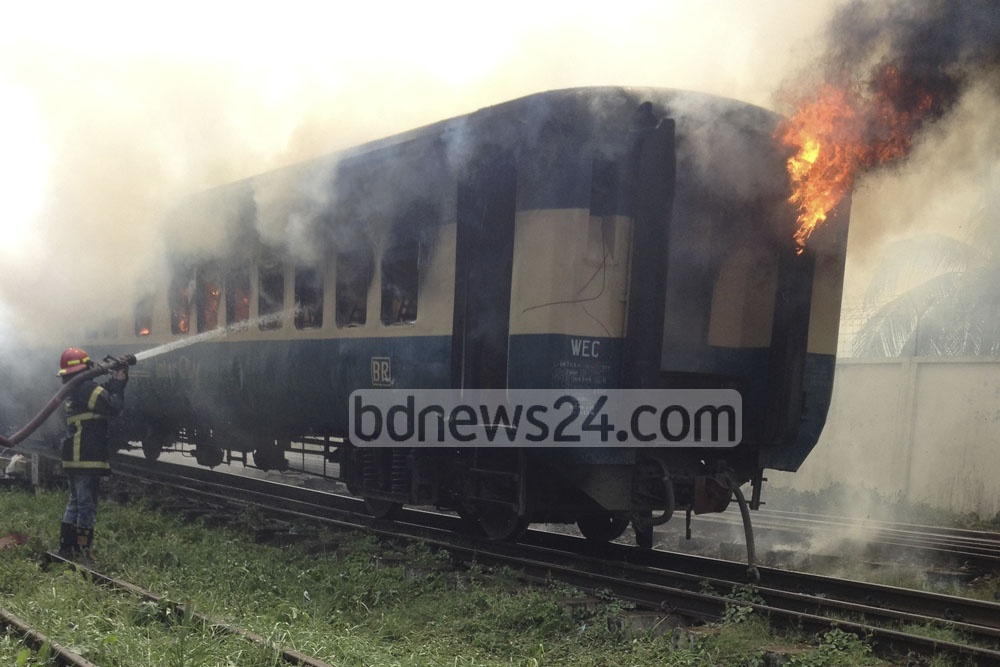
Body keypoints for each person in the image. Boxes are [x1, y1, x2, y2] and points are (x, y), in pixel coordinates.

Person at [56, 347, 128, 561]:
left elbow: (103, 394)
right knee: (86, 504)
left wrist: (118, 380)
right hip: (86, 455)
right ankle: (83, 550)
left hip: (75, 455)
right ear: (84, 368)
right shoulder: (86, 388)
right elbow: (114, 405)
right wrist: (118, 384)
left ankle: (66, 548)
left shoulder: (77, 389)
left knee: (75, 502)